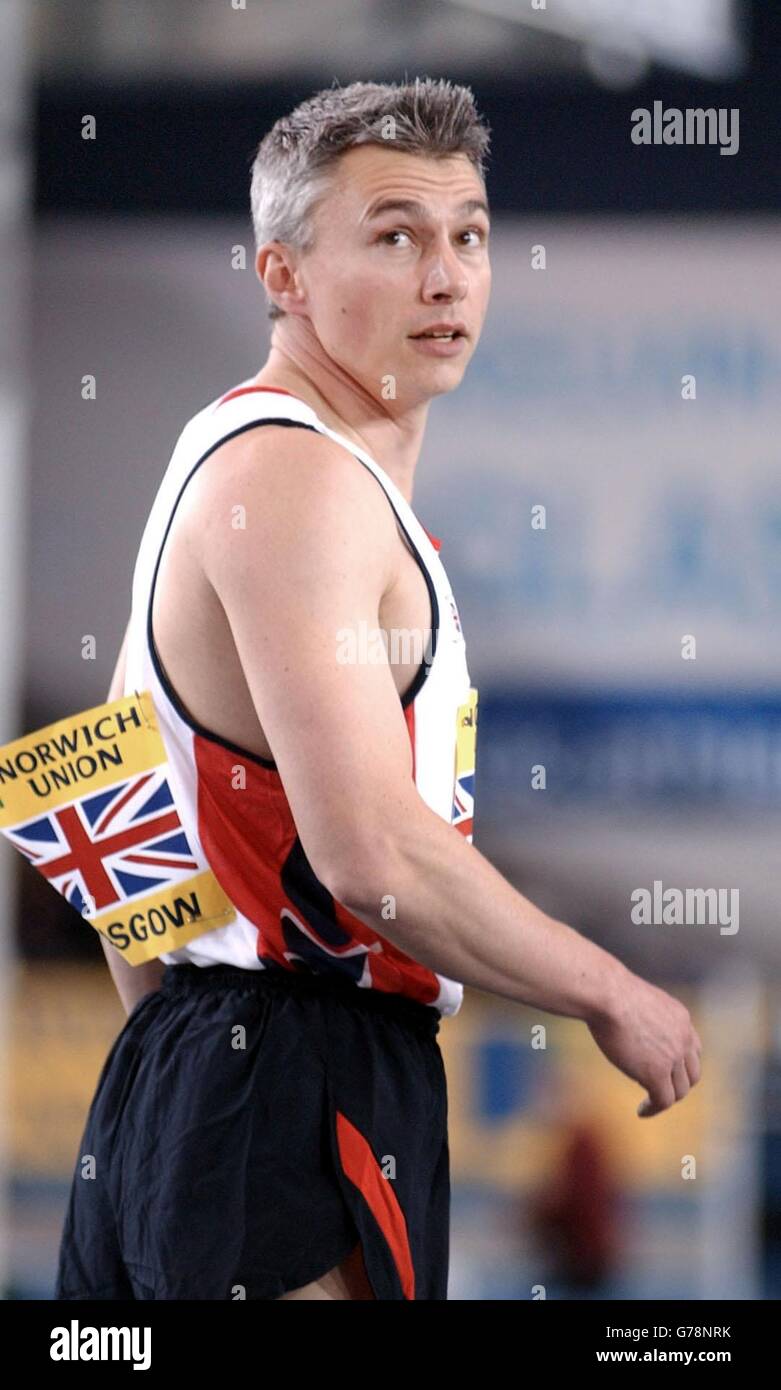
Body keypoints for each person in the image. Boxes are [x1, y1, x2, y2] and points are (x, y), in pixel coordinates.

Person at [55, 77, 701, 1302]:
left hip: (202, 1078)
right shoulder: (297, 480)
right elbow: (370, 856)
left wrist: (172, 1056)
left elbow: (101, 793)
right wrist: (611, 991)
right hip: (285, 1078)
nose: (445, 278)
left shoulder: (227, 453)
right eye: (395, 236)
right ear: (282, 276)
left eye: (468, 236)